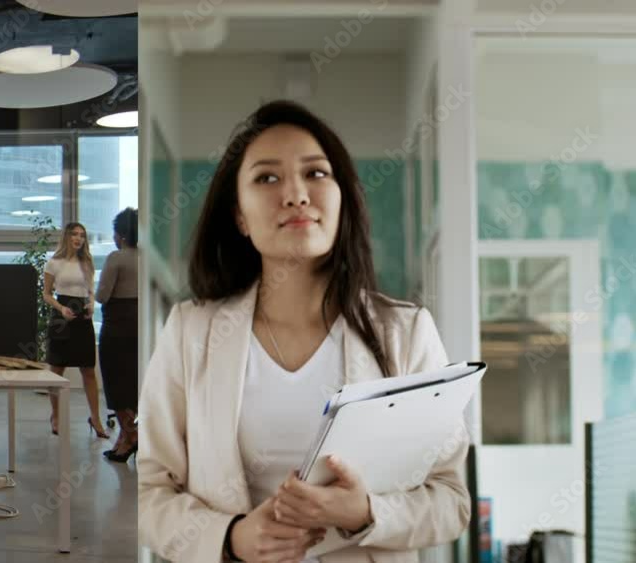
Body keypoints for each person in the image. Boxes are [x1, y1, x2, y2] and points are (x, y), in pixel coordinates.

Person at [137, 101, 471, 563]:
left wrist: (366, 512)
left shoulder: (405, 333)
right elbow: (149, 490)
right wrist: (230, 538)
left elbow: (451, 500)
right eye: (267, 178)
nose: (296, 194)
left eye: (316, 173)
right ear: (239, 215)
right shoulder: (190, 332)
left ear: (341, 195)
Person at [43, 222, 108, 438]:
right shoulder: (55, 262)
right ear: (67, 237)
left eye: (82, 235)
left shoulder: (87, 262)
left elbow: (90, 290)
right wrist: (61, 308)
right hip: (62, 315)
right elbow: (46, 294)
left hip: (83, 316)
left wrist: (91, 304)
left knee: (88, 370)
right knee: (57, 370)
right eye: (74, 235)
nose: (78, 239)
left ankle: (96, 419)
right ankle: (55, 415)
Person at [96, 208, 140, 462]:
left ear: (121, 235)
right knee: (134, 383)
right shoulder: (150, 257)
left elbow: (102, 295)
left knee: (116, 385)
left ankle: (132, 436)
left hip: (119, 325)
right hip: (142, 324)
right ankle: (125, 438)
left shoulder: (116, 257)